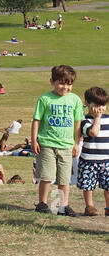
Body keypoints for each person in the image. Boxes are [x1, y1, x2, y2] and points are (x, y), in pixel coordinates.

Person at [32, 64, 83, 215]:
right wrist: (34, 140)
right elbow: (36, 120)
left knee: (64, 178)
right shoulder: (45, 99)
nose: (65, 87)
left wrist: (76, 143)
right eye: (61, 83)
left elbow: (78, 122)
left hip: (66, 145)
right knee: (46, 176)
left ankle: (63, 206)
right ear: (52, 81)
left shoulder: (75, 100)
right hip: (47, 143)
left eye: (69, 84)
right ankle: (42, 203)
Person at [76, 86, 109, 215]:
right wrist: (97, 118)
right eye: (96, 105)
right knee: (88, 185)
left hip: (106, 160)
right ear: (87, 104)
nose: (100, 108)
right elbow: (94, 132)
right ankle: (89, 206)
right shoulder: (84, 121)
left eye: (103, 105)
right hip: (89, 160)